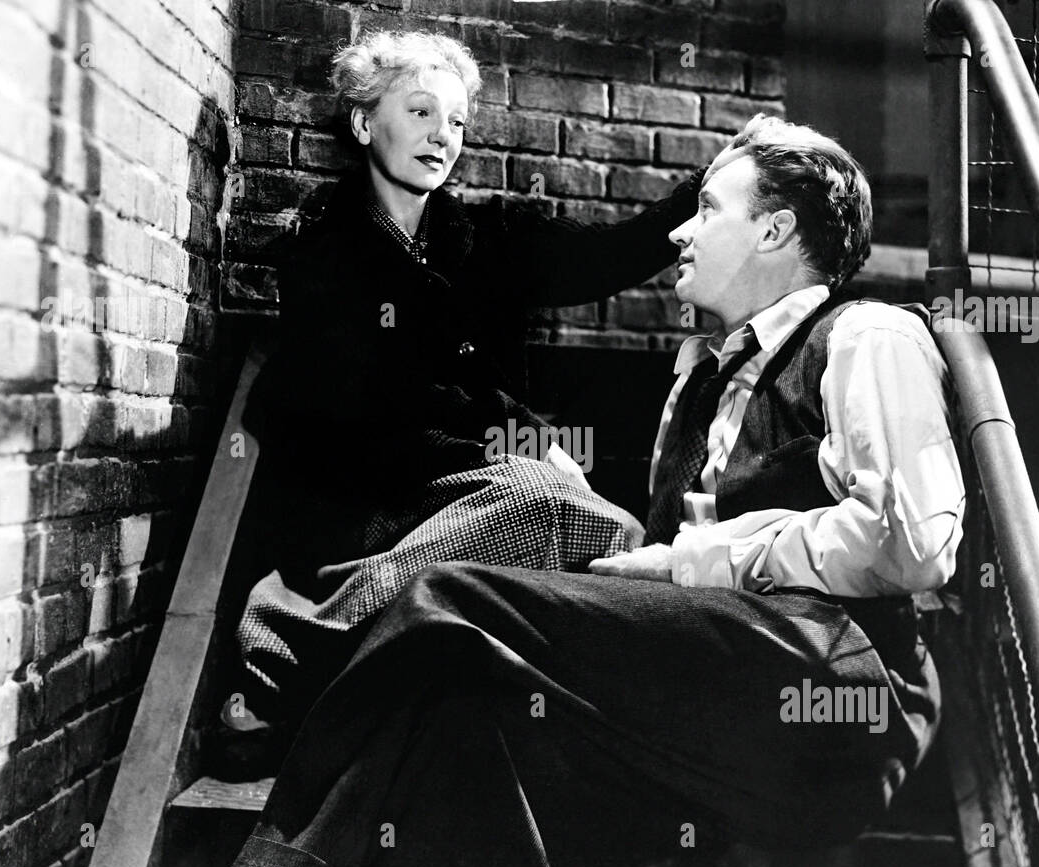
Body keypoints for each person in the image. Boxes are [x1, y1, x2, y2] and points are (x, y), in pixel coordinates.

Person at [230, 114, 967, 867]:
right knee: (463, 722)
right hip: (713, 707)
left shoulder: (868, 336)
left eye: (708, 209)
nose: (681, 232)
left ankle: (289, 711)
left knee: (446, 598)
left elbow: (916, 542)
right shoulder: (698, 380)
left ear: (776, 230)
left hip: (840, 695)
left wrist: (697, 559)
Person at [231, 30, 710, 734]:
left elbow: (607, 259)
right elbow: (387, 408)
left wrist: (704, 188)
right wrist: (526, 439)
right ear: (365, 124)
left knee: (610, 530)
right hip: (364, 502)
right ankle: (286, 653)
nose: (442, 136)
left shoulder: (488, 238)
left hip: (472, 498)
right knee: (554, 506)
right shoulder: (322, 256)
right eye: (422, 112)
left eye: (456, 121)